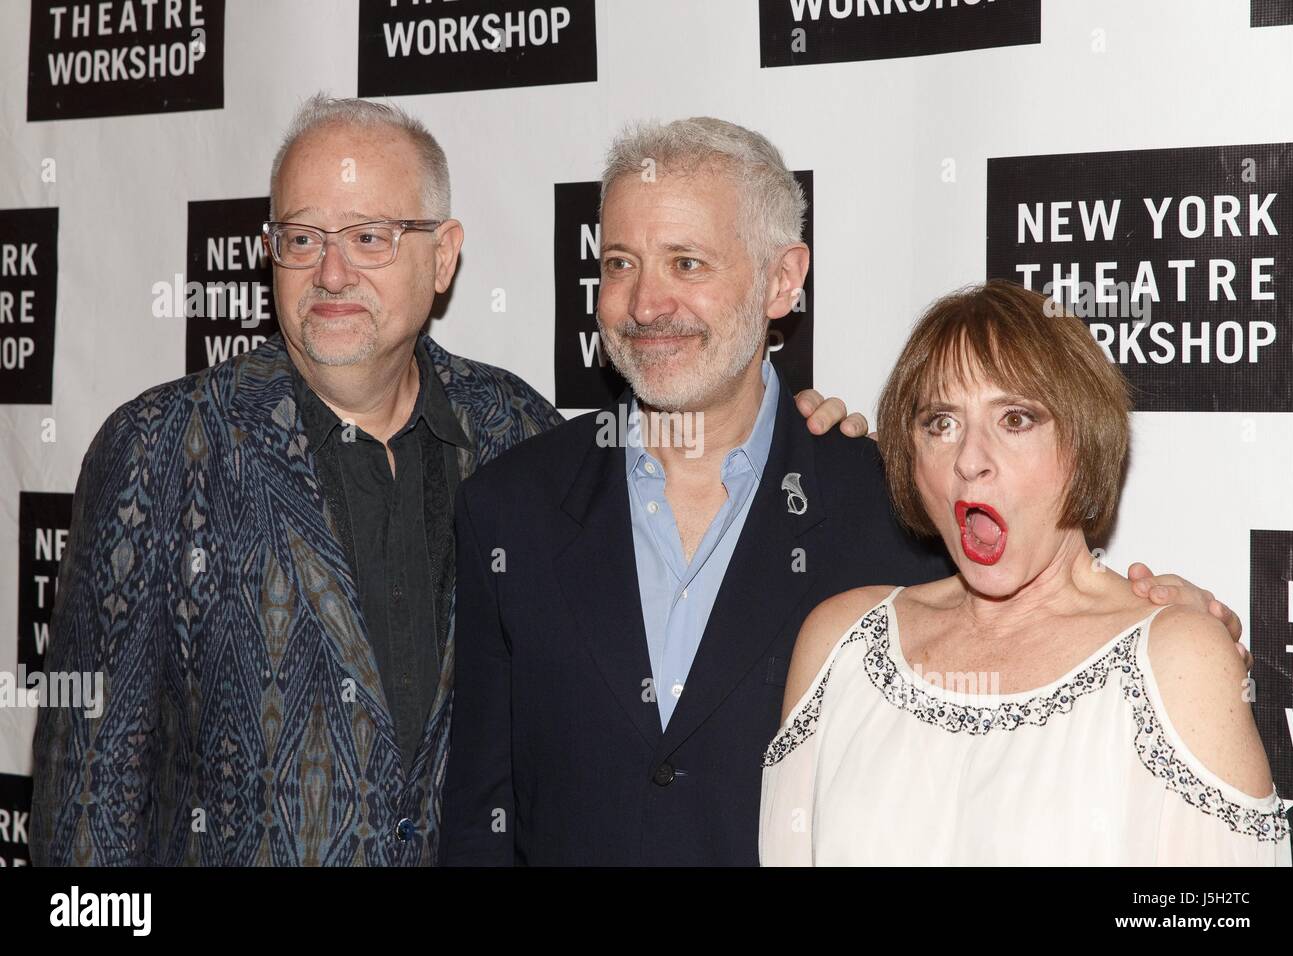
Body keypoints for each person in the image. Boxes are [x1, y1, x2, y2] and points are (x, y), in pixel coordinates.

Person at [28, 95, 863, 867]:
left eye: (370, 237)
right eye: (301, 238)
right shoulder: (161, 448)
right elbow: (87, 808)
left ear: (444, 258)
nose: (331, 274)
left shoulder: (515, 436)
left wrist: (809, 441)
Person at [438, 121, 1239, 866]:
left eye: (687, 262)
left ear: (782, 279)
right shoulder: (509, 510)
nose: (646, 304)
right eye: (619, 263)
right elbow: (481, 819)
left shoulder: (899, 511)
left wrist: (1178, 640)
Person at [760, 281, 1291, 866]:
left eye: (1015, 418)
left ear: (1083, 440)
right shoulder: (838, 644)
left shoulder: (1176, 657)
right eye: (941, 422)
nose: (968, 459)